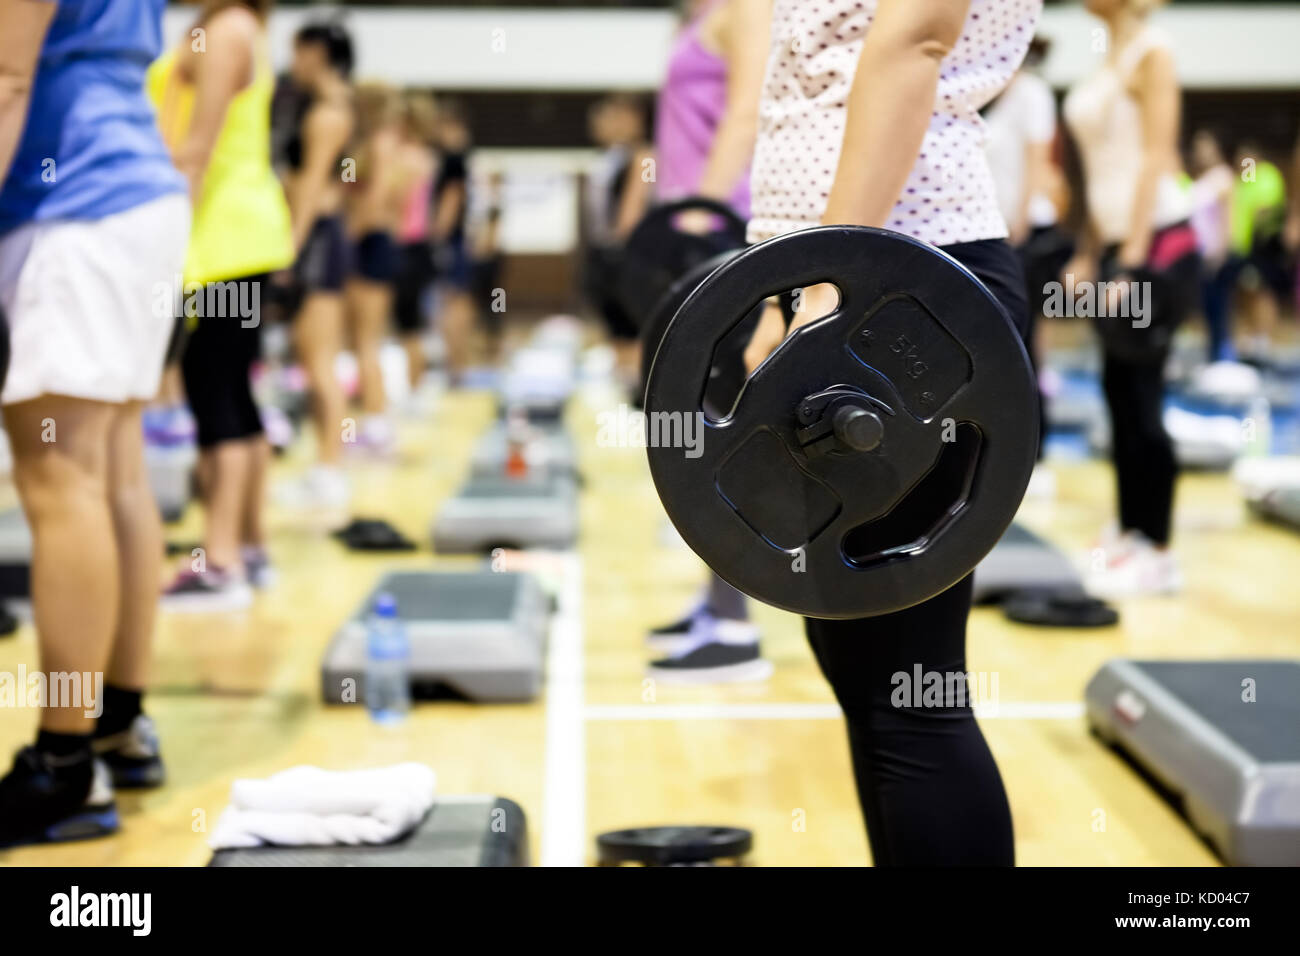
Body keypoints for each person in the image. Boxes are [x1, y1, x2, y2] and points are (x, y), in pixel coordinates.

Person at [0, 0, 190, 846]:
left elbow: (6, 76)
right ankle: (117, 724)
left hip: (74, 200)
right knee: (110, 471)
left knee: (59, 477)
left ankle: (65, 766)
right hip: (129, 196)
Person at [642, 0, 775, 685]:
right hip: (699, 233)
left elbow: (746, 111)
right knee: (695, 425)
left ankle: (734, 630)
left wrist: (701, 218)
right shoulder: (698, 17)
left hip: (725, 233)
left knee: (722, 428)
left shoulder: (746, 6)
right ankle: (714, 604)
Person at [151, 0, 295, 610]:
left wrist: (161, 234)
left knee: (217, 393)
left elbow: (196, 149)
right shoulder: (222, 28)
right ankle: (248, 546)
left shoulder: (229, 28)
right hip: (230, 237)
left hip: (225, 239)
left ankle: (221, 560)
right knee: (231, 391)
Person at [1063, 0, 1199, 598]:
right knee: (1117, 394)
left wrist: (1135, 261)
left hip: (1159, 246)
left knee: (1144, 399)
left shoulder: (1154, 49)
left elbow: (1154, 158)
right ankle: (1130, 531)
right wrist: (1090, 255)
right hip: (1118, 247)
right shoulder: (1104, 61)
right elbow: (1098, 173)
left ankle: (1161, 549)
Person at [281, 21, 355, 510]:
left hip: (317, 240)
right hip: (317, 238)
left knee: (319, 362)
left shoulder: (329, 112)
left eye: (299, 52)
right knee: (311, 362)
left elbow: (309, 186)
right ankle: (323, 465)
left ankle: (330, 468)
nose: (293, 62)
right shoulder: (318, 105)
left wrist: (291, 243)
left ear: (319, 53)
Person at [982, 34, 1061, 466]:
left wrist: (1019, 228)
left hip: (1026, 237)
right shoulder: (990, 95)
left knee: (1027, 346)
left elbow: (1037, 162)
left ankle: (1036, 449)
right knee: (1006, 344)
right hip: (998, 232)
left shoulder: (1032, 93)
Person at [345, 82, 404, 455]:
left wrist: (347, 237)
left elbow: (376, 197)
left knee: (366, 339)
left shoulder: (379, 144)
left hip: (369, 243)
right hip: (374, 241)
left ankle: (376, 420)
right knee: (363, 340)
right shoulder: (377, 144)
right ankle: (374, 418)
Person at [583, 94, 655, 388]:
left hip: (628, 256)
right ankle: (625, 392)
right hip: (605, 253)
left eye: (610, 117)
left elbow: (632, 210)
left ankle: (638, 398)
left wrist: (620, 246)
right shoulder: (610, 157)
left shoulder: (644, 155)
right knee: (616, 331)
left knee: (632, 332)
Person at [391, 91, 439, 392]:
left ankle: (414, 387)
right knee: (411, 326)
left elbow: (393, 201)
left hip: (405, 245)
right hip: (416, 246)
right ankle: (414, 387)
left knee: (408, 326)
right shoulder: (424, 155)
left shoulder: (407, 157)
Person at [429, 99, 477, 383]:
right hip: (459, 238)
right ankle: (457, 364)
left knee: (454, 301)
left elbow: (452, 197)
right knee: (457, 300)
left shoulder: (454, 158)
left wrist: (437, 233)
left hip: (453, 239)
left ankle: (456, 365)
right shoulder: (464, 156)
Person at [1188, 130, 1236, 362]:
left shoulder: (1223, 176)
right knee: (1206, 307)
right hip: (1198, 250)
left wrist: (1221, 250)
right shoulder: (1200, 178)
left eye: (1205, 146)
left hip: (1215, 251)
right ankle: (1212, 354)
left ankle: (1223, 354)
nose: (1201, 152)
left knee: (1219, 305)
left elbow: (1227, 216)